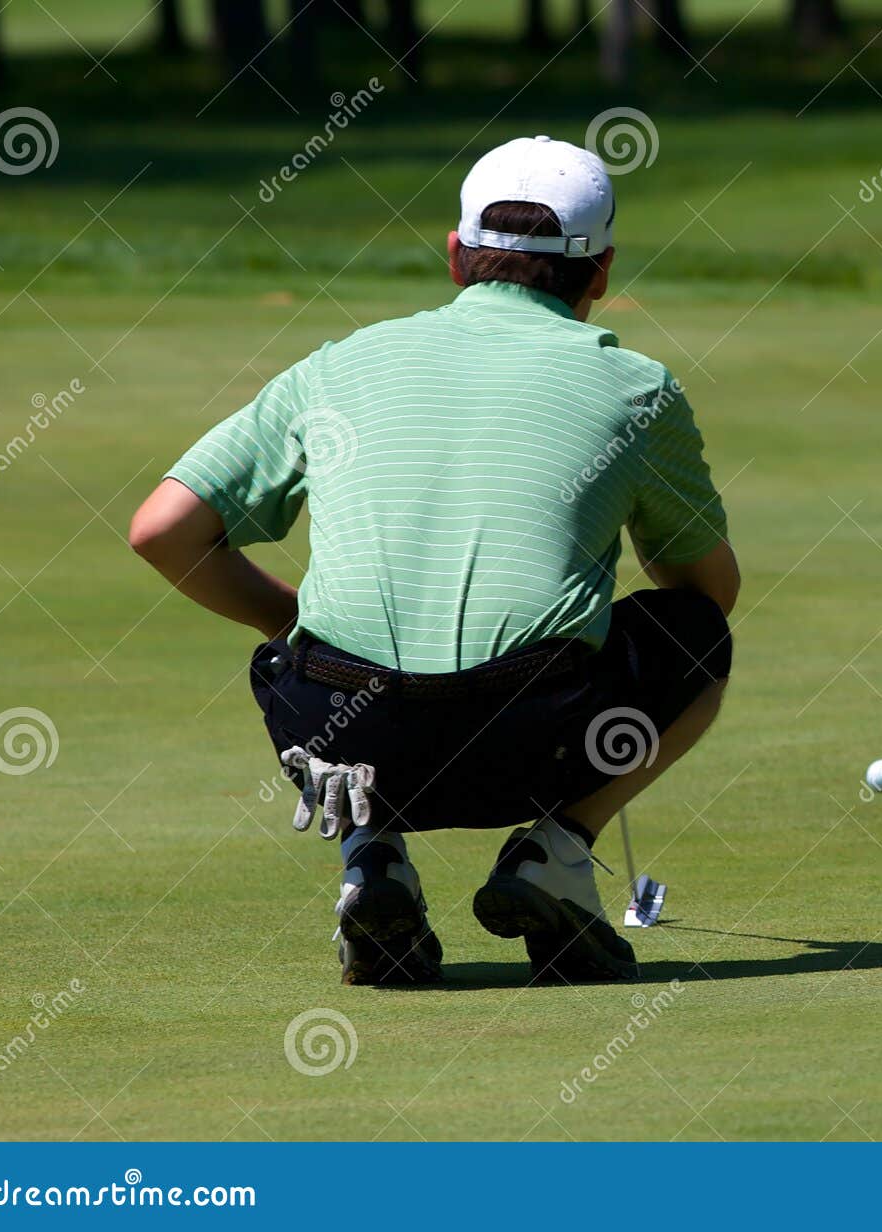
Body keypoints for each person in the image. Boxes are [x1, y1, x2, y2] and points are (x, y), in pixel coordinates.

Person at [128, 135, 739, 987]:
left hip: (352, 738)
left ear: (455, 256)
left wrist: (289, 621)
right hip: (538, 743)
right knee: (693, 636)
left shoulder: (337, 366)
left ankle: (374, 863)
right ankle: (553, 856)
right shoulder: (637, 387)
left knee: (291, 660)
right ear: (600, 273)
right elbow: (708, 598)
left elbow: (160, 531)